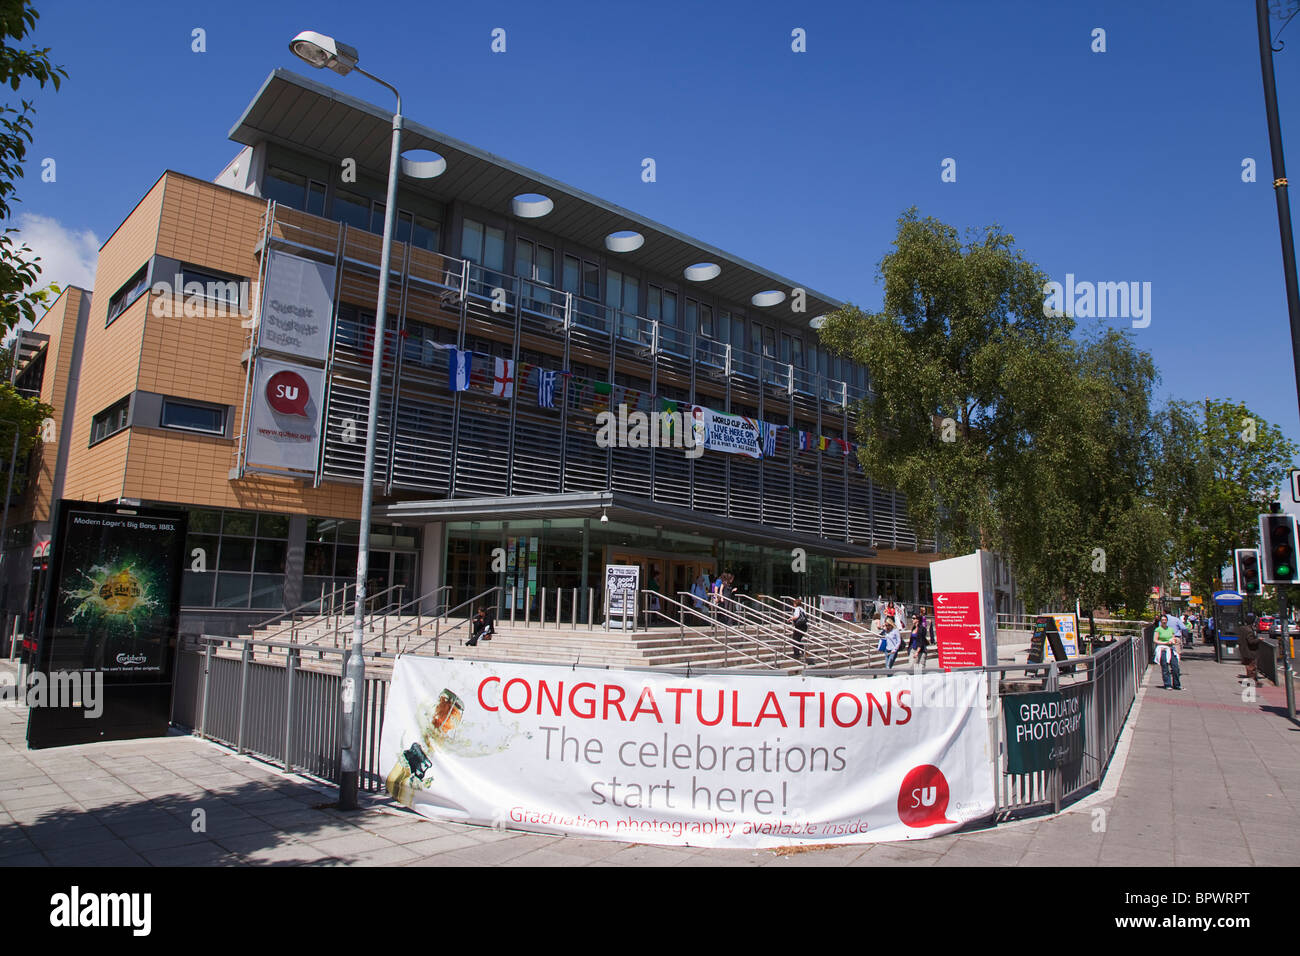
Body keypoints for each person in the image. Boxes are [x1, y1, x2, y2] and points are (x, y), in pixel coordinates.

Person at [1153, 613, 1181, 690]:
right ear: (1160, 621)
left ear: (1167, 621)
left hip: (1170, 648)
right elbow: (1155, 640)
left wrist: (1174, 641)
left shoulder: (1170, 629)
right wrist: (1165, 643)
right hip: (1162, 649)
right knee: (1165, 667)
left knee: (1175, 667)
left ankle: (1177, 684)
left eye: (1165, 620)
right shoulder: (1158, 629)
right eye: (1162, 620)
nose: (1164, 621)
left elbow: (1173, 638)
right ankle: (1167, 684)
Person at [1238, 612, 1261, 686]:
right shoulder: (1249, 630)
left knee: (1248, 667)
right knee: (1252, 667)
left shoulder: (1241, 628)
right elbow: (1251, 641)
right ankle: (1252, 682)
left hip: (1243, 651)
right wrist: (1259, 640)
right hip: (1250, 651)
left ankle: (1251, 681)